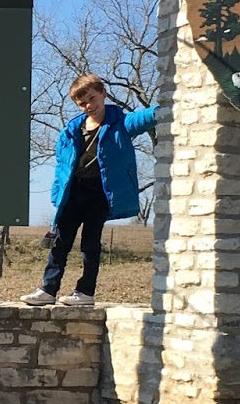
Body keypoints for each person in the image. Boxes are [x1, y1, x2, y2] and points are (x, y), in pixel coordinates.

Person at [22, 73, 157, 308]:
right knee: (60, 242)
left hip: (100, 193)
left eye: (92, 98)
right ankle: (47, 289)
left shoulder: (120, 123)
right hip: (73, 192)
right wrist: (57, 195)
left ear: (103, 93)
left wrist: (166, 106)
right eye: (82, 103)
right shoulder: (71, 130)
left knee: (90, 244)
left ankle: (85, 292)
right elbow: (62, 166)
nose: (89, 106)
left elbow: (144, 118)